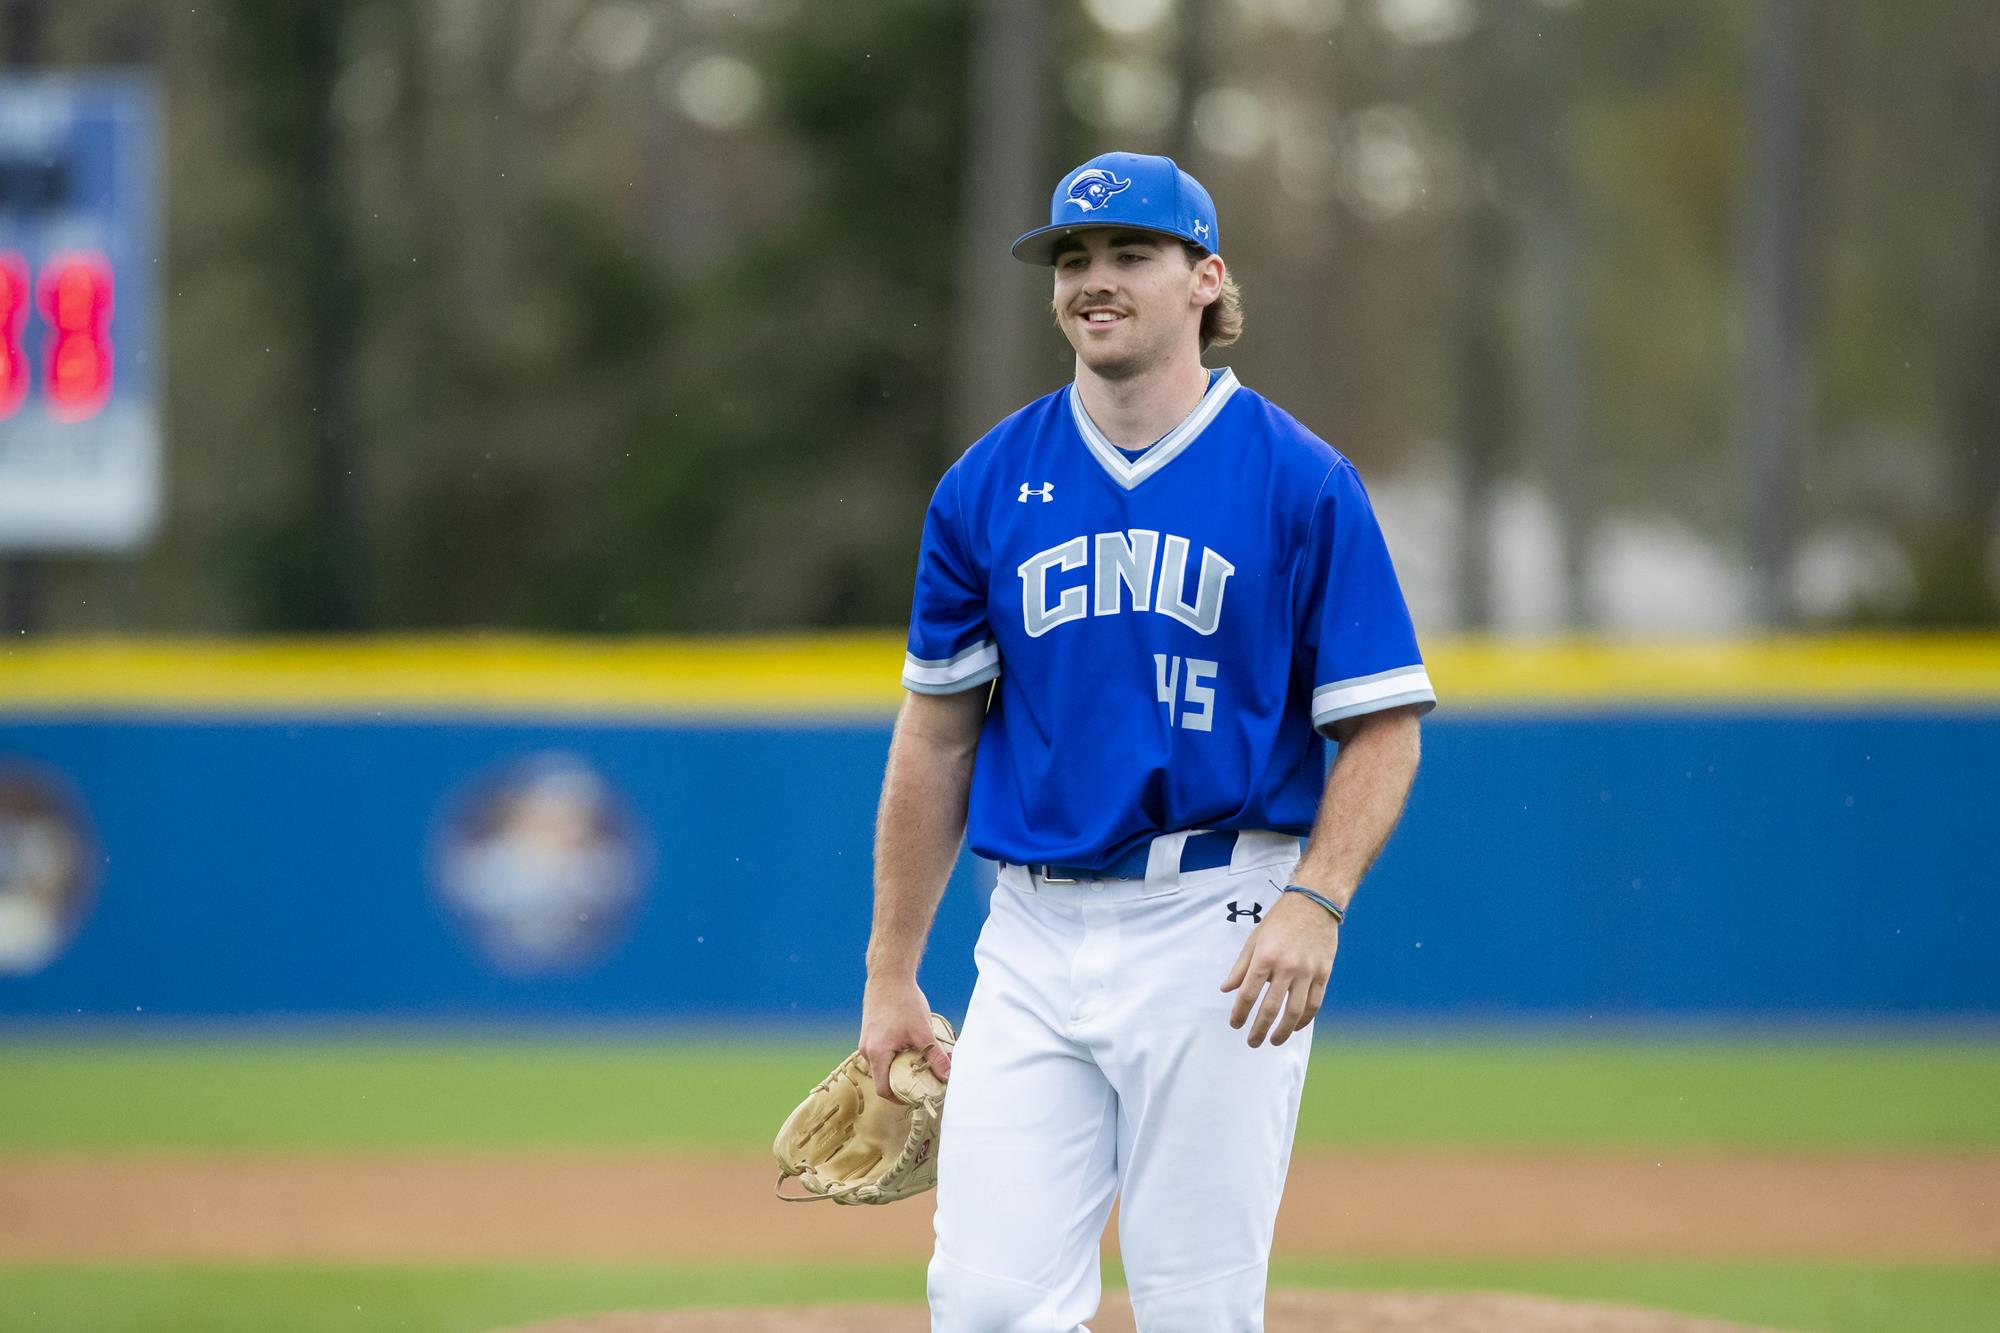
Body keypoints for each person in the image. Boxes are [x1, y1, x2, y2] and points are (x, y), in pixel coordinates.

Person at [860, 151, 1434, 1333]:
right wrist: (890, 974)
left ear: (1203, 278)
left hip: (1216, 928)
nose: (1093, 279)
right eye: (1072, 259)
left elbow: (1380, 726)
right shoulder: (986, 484)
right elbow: (935, 737)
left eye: (1130, 252)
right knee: (981, 1303)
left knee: (1193, 1308)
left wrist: (1314, 899)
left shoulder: (1298, 481)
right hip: (1026, 931)